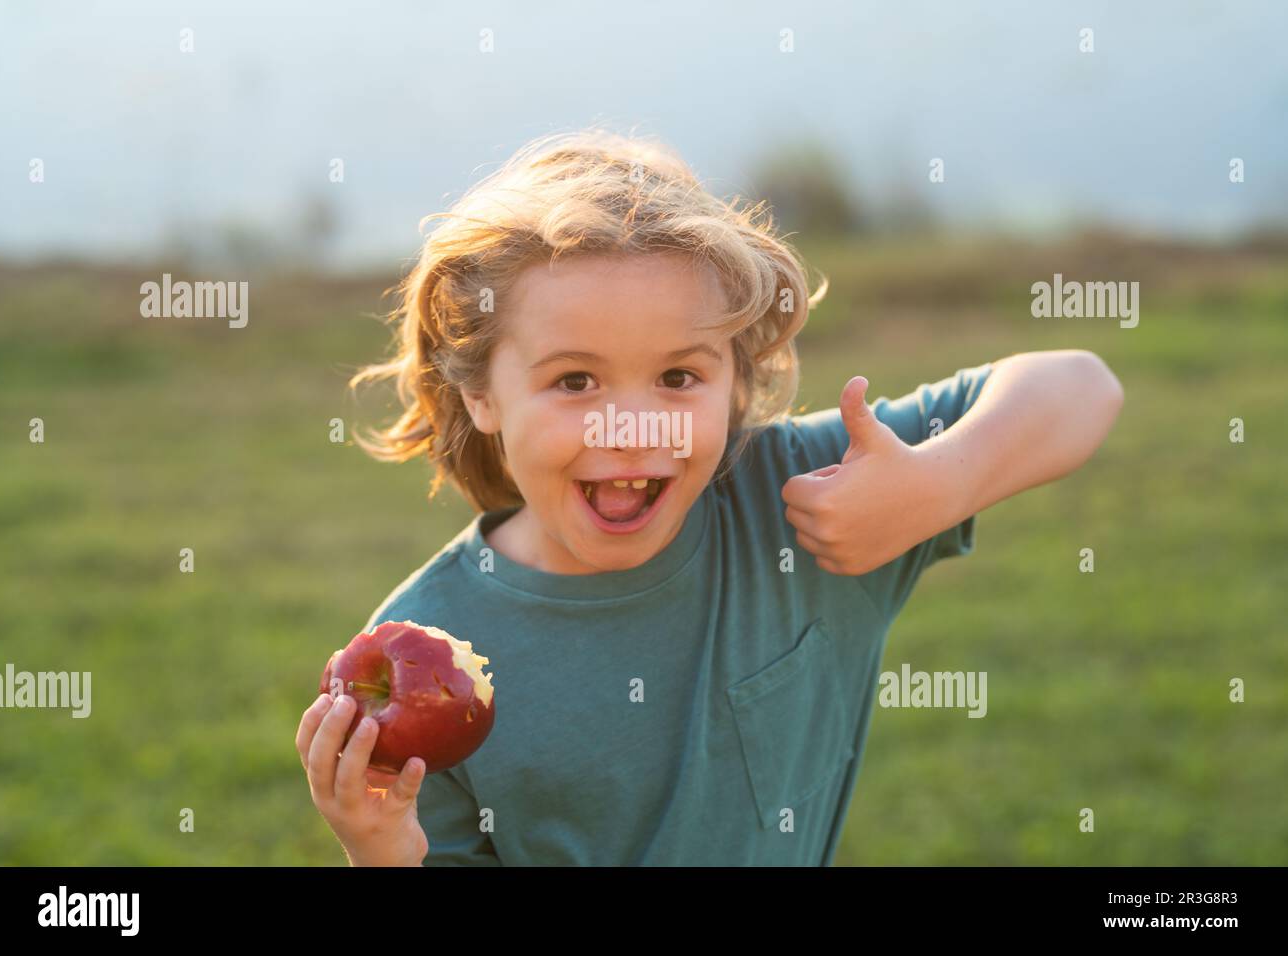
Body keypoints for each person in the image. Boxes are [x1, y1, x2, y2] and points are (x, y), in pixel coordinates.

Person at [295, 128, 1124, 866]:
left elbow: (1080, 388)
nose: (633, 427)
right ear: (481, 393)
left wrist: (935, 485)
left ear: (737, 384)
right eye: (575, 380)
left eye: (678, 377)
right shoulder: (423, 652)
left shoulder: (797, 495)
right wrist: (384, 856)